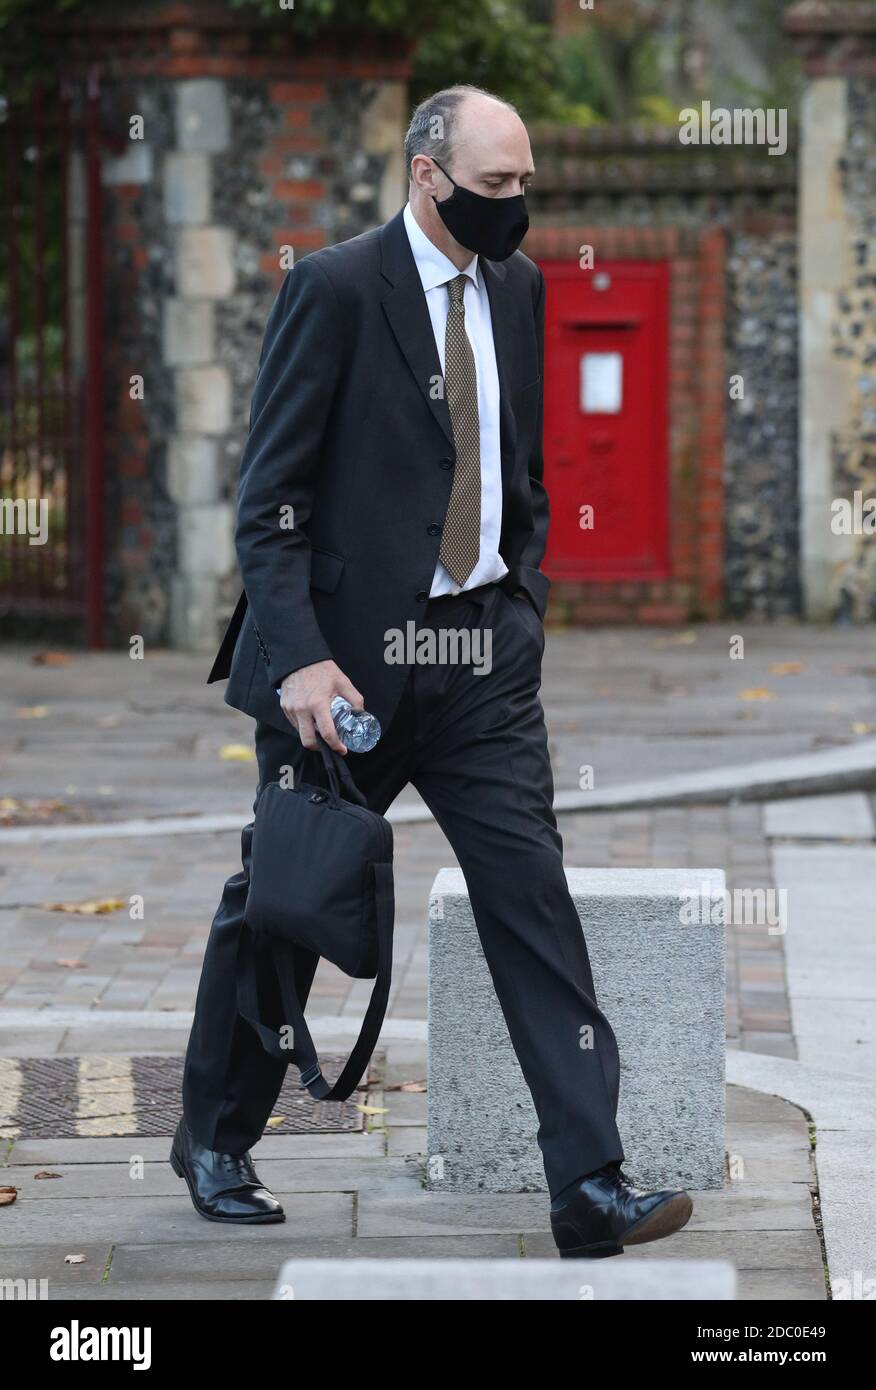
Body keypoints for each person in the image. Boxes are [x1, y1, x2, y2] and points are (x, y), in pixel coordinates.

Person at [174, 85, 693, 1258]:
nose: (518, 206)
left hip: (481, 663)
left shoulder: (520, 286)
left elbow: (521, 468)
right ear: (427, 172)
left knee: (533, 899)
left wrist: (521, 606)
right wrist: (303, 661)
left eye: (525, 184)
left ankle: (590, 1183)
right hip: (342, 674)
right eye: (497, 184)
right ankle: (213, 1136)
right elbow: (269, 504)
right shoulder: (338, 288)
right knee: (285, 907)